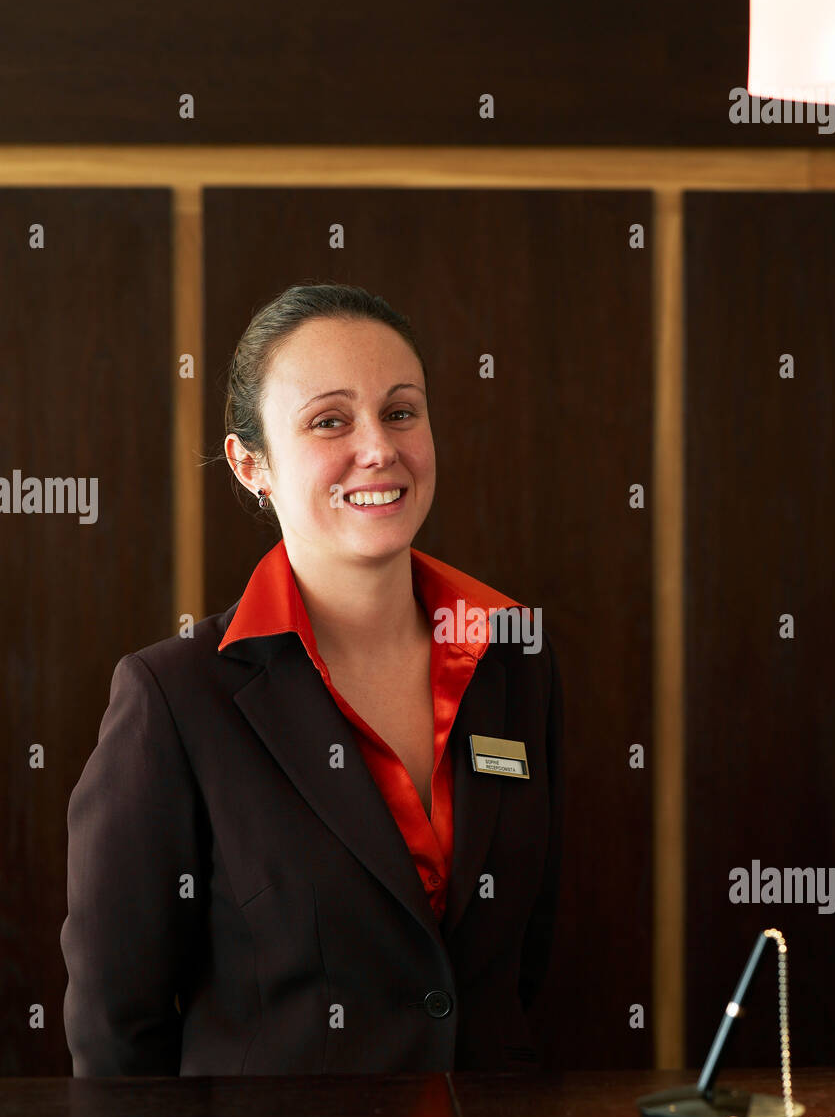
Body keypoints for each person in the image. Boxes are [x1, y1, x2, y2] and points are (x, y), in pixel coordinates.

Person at [61, 281, 565, 1076]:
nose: (379, 448)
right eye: (330, 421)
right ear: (251, 463)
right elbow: (115, 1027)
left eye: (401, 412)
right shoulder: (175, 697)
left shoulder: (514, 653)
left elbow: (523, 961)